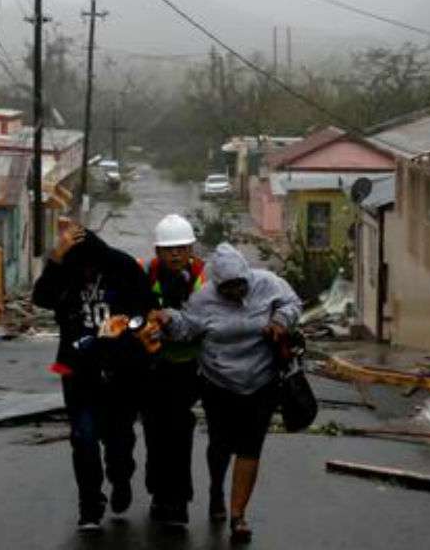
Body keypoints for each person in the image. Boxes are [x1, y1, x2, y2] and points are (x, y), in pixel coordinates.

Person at [152, 243, 300, 544]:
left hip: (262, 379)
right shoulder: (203, 299)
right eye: (228, 288)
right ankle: (216, 488)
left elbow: (292, 303)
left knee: (250, 446)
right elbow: (186, 329)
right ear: (217, 284)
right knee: (220, 443)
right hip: (218, 382)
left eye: (239, 285)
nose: (235, 292)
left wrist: (280, 321)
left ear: (248, 276)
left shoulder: (269, 284)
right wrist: (167, 319)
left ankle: (238, 515)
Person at [32, 219, 153, 534]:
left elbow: (146, 309)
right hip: (77, 369)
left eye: (88, 265)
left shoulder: (122, 268)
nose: (85, 271)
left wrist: (126, 328)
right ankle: (90, 505)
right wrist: (56, 258)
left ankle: (121, 477)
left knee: (119, 438)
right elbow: (42, 298)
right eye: (77, 264)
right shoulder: (65, 273)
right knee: (83, 437)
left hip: (122, 370)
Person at [139, 214, 206, 527]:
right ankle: (158, 492)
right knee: (154, 431)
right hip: (152, 368)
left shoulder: (203, 278)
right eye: (169, 249)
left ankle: (179, 500)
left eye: (181, 248)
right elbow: (129, 315)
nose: (176, 254)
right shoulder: (146, 274)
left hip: (188, 368)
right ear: (157, 252)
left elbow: (207, 322)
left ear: (191, 247)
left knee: (179, 431)